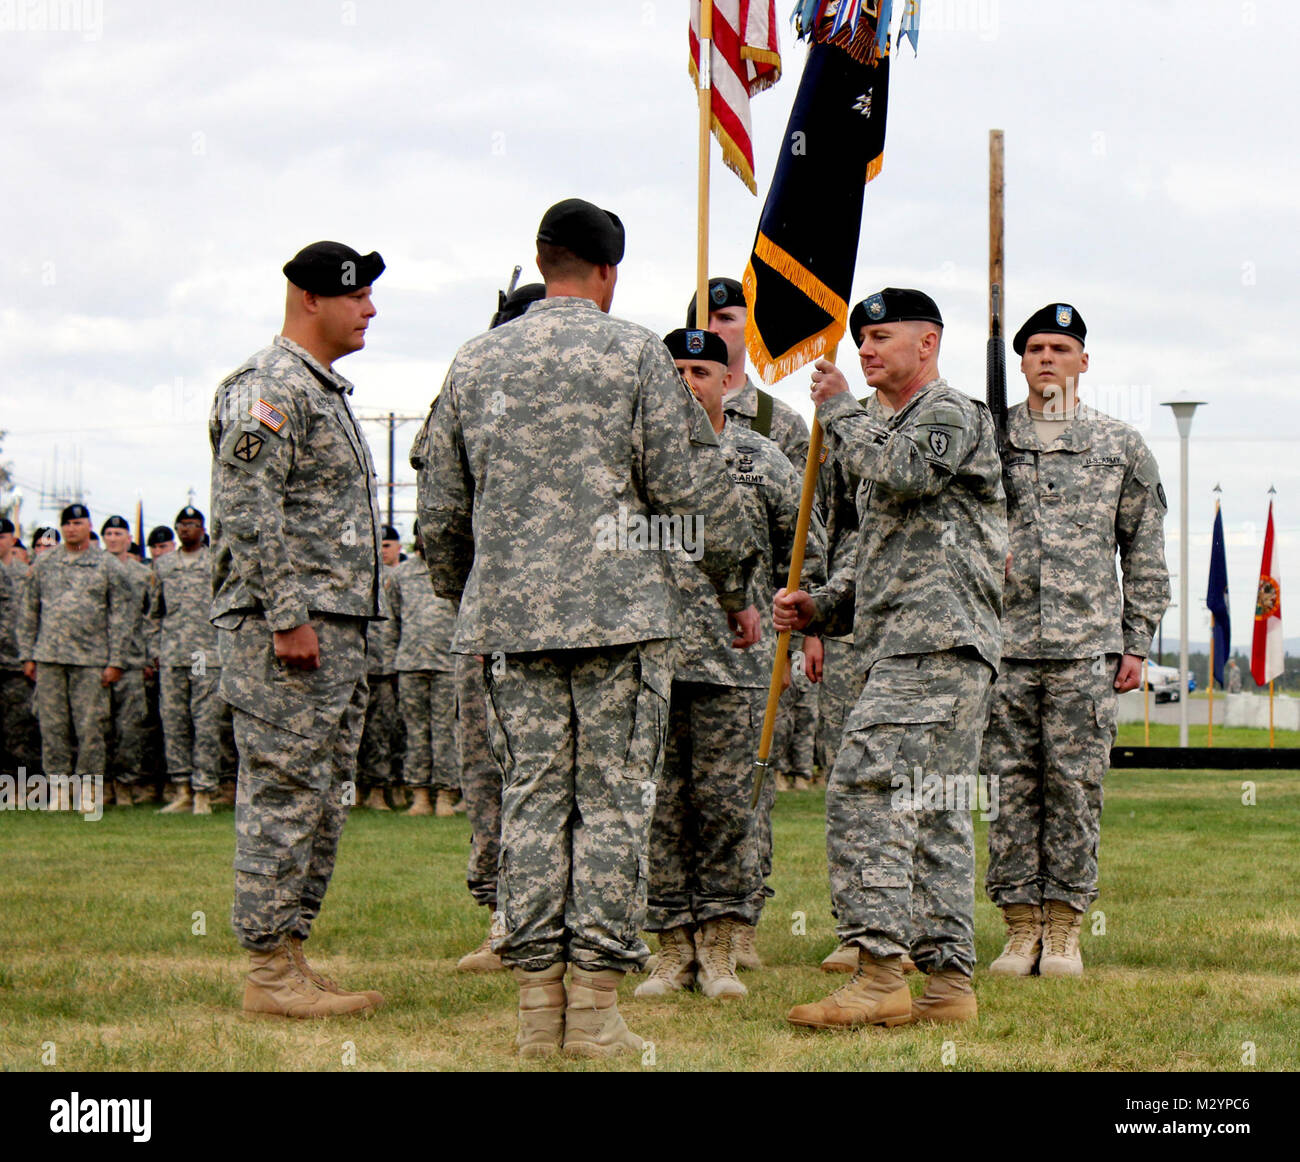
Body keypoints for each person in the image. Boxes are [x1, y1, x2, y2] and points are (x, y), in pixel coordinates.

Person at [416, 197, 760, 1058]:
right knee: (610, 808)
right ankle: (596, 1011)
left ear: (541, 262)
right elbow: (693, 491)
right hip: (621, 623)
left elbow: (440, 510)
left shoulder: (476, 361)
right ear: (608, 273)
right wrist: (734, 585)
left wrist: (471, 595)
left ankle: (538, 1012)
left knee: (532, 803)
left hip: (514, 629)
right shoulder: (636, 354)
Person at [774, 288, 1006, 1028]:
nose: (866, 350)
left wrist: (840, 412)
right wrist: (821, 605)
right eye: (861, 339)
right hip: (903, 642)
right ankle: (947, 985)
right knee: (932, 813)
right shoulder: (881, 429)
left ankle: (879, 975)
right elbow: (880, 558)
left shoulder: (948, 413)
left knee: (867, 789)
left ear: (927, 343)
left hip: (934, 645)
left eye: (880, 336)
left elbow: (909, 472)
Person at [209, 239, 387, 1018]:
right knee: (284, 793)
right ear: (310, 298)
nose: (370, 310)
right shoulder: (270, 387)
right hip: (288, 632)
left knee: (319, 796)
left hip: (332, 631)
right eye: (357, 296)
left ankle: (288, 954)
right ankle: (266, 971)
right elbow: (248, 507)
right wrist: (287, 616)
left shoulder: (322, 390)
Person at [980, 303, 1169, 978]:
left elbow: (1143, 546)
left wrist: (1136, 640)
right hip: (1002, 647)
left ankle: (1063, 930)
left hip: (1084, 650)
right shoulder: (987, 439)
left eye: (1061, 348)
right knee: (1008, 790)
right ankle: (1019, 927)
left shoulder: (1119, 445)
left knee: (1074, 788)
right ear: (1021, 362)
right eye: (1035, 349)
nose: (1047, 358)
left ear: (1084, 361)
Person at [636, 327, 820, 1001]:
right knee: (660, 809)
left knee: (727, 808)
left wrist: (803, 623)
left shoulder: (761, 458)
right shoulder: (637, 462)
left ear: (725, 382)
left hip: (736, 667)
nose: (689, 382)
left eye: (701, 371)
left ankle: (719, 948)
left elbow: (803, 549)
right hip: (650, 661)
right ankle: (670, 948)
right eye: (677, 370)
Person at [17, 504, 131, 812]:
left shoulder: (106, 565)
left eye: (77, 523)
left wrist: (116, 659)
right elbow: (29, 611)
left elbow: (122, 614)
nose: (71, 529)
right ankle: (58, 791)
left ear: (88, 525)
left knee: (91, 728)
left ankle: (89, 791)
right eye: (66, 524)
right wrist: (27, 654)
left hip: (92, 660)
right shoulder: (45, 563)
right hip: (49, 657)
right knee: (52, 727)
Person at [148, 506, 235, 816]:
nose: (187, 530)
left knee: (206, 722)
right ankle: (182, 788)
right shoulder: (164, 565)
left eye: (193, 525)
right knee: (174, 723)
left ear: (203, 529)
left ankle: (204, 791)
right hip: (173, 655)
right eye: (182, 525)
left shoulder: (215, 562)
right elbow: (155, 612)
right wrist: (154, 649)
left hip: (206, 655)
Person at [384, 523, 460, 817]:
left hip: (447, 664)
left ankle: (445, 795)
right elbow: (392, 621)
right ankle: (419, 797)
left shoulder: (453, 569)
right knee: (415, 732)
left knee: (445, 732)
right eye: (421, 534)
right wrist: (392, 660)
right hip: (410, 663)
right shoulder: (402, 574)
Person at [100, 514, 153, 807]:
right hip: (97, 659)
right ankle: (104, 783)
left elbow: (150, 618)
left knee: (130, 727)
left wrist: (147, 657)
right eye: (108, 532)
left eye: (119, 532)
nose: (113, 537)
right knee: (99, 727)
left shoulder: (143, 574)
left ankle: (125, 783)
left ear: (129, 538)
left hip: (132, 660)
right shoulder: (93, 569)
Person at [357, 524, 403, 810]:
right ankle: (354, 792)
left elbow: (399, 620)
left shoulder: (397, 579)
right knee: (356, 733)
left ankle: (379, 791)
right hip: (358, 666)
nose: (382, 550)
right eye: (379, 544)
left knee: (383, 732)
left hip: (386, 667)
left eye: (388, 544)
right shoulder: (358, 574)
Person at [0, 519, 41, 780]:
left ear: (12, 540)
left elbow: (33, 616)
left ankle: (18, 783)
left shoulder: (25, 573)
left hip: (14, 661)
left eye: (2, 537)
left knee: (19, 727)